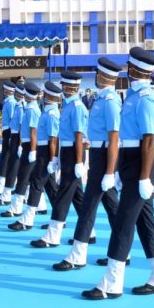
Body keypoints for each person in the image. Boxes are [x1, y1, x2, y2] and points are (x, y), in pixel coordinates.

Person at [82, 47, 154, 300]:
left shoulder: (144, 98)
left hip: (143, 163)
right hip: (132, 161)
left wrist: (144, 176)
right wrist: (121, 169)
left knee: (122, 222)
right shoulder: (133, 96)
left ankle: (112, 283)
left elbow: (149, 139)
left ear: (132, 69)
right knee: (144, 222)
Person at [53, 58, 122, 270]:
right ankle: (121, 252)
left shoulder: (109, 101)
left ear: (102, 77)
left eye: (98, 74)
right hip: (100, 154)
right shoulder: (103, 99)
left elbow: (113, 137)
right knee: (112, 207)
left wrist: (110, 171)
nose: (96, 78)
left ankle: (78, 255)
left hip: (104, 156)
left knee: (89, 206)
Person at [31, 71, 88, 248]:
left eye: (65, 85)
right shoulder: (68, 105)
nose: (63, 88)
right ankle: (89, 231)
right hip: (68, 151)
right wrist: (56, 158)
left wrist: (79, 162)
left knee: (63, 194)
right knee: (78, 196)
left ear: (69, 87)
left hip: (74, 152)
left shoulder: (77, 106)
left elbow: (78, 136)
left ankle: (53, 235)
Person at [9, 81, 61, 231]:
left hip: (46, 153)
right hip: (42, 150)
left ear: (51, 95)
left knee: (36, 184)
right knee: (51, 188)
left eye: (46, 94)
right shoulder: (46, 111)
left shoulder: (50, 114)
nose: (43, 96)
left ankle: (27, 220)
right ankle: (59, 218)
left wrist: (52, 160)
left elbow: (53, 140)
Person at [1, 83, 40, 218]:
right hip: (26, 145)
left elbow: (33, 132)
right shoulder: (27, 107)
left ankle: (16, 208)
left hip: (31, 146)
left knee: (24, 177)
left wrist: (32, 150)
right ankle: (40, 206)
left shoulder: (31, 110)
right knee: (31, 178)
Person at [0, 83, 25, 207]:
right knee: (7, 161)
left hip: (13, 134)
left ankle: (7, 192)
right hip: (10, 133)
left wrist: (13, 139)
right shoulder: (13, 103)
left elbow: (16, 122)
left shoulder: (13, 103)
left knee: (10, 162)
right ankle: (4, 189)